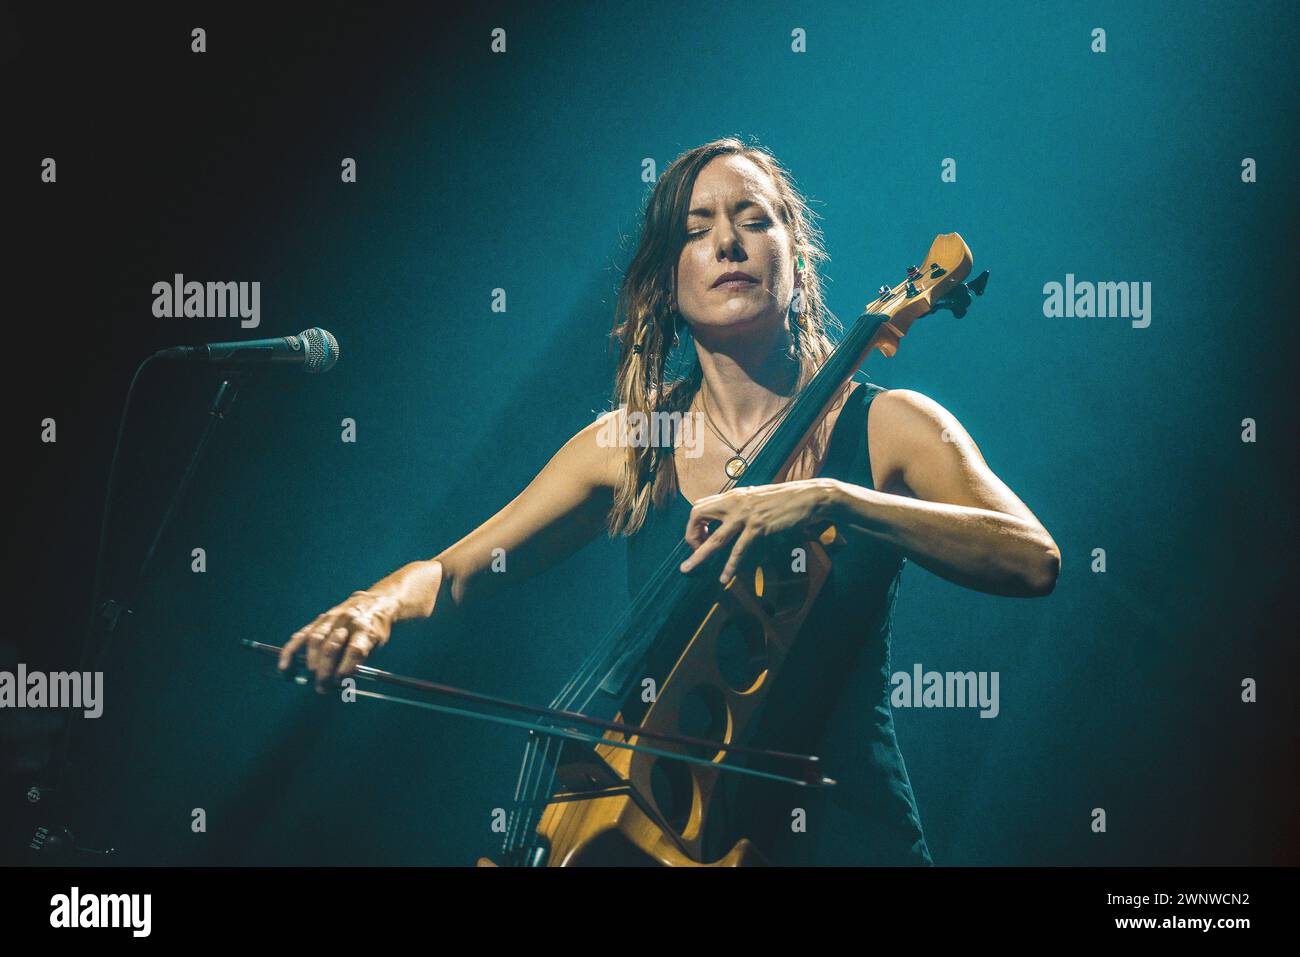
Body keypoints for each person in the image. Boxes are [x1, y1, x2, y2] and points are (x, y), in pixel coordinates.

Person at [278, 136, 1061, 865]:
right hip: (661, 843)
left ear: (797, 257)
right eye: (698, 228)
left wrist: (835, 500)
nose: (728, 242)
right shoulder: (634, 443)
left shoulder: (890, 426)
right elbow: (452, 574)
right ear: (666, 280)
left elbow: (1032, 558)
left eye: (754, 219)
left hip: (846, 834)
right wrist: (372, 607)